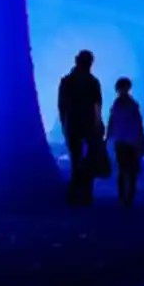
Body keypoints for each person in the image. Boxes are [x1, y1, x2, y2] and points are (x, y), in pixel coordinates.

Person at [58, 50, 103, 206]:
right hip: (88, 125)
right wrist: (98, 125)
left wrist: (64, 123)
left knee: (76, 158)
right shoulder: (92, 82)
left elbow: (62, 106)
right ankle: (85, 193)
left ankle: (75, 194)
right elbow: (97, 106)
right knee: (89, 159)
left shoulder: (67, 81)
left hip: (73, 124)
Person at [106, 76, 144, 207]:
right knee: (125, 168)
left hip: (128, 141)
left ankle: (127, 196)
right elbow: (113, 122)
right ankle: (125, 195)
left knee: (128, 169)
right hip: (126, 141)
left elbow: (137, 124)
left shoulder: (125, 105)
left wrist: (109, 136)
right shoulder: (126, 105)